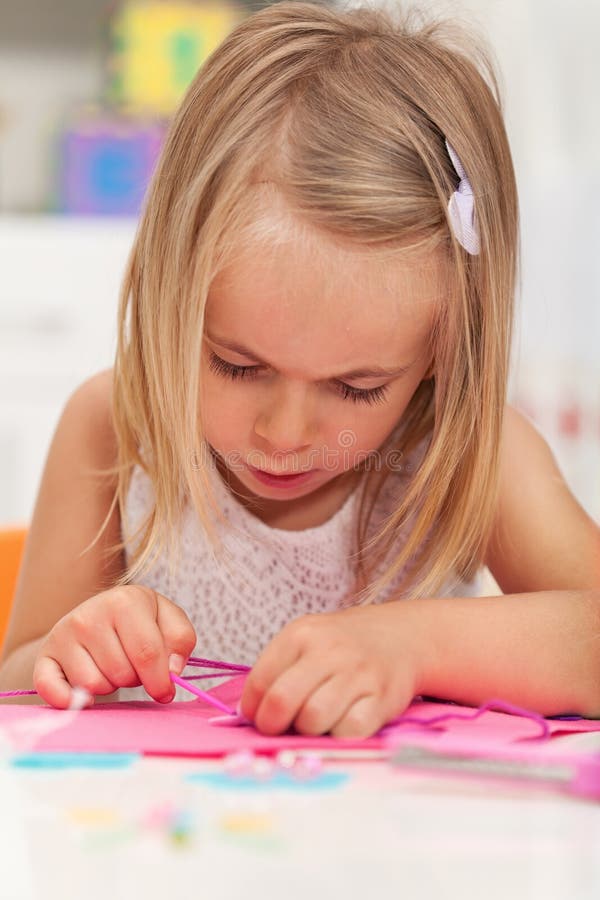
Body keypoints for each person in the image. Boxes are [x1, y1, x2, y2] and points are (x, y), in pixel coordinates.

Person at [1, 1, 598, 737]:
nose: (285, 433)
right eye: (237, 366)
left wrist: (410, 645)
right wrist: (78, 651)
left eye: (356, 387)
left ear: (445, 349)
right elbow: (20, 682)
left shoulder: (472, 454)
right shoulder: (115, 429)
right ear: (170, 295)